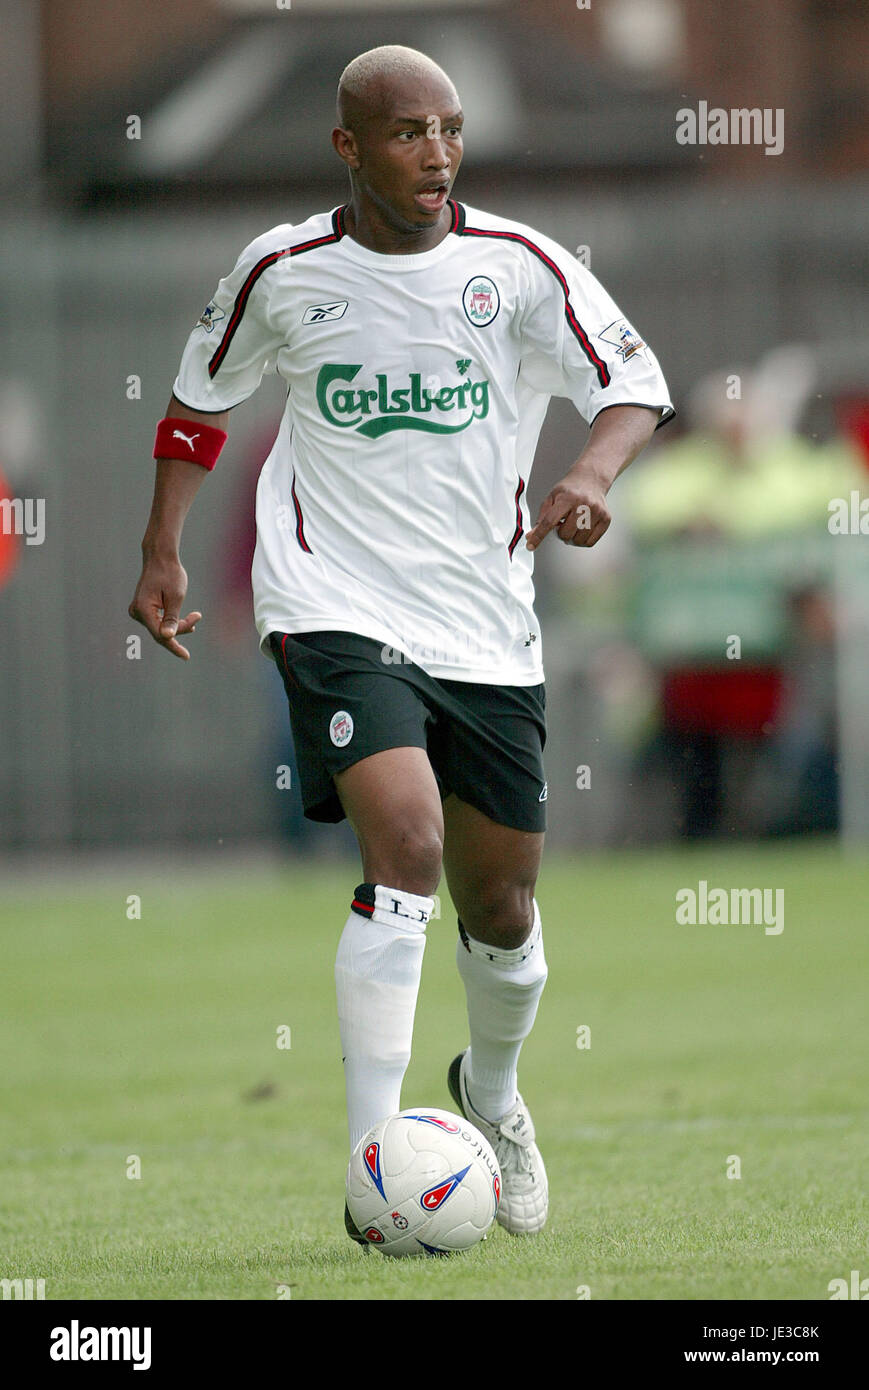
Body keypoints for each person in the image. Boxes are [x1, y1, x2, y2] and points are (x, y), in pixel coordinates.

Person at [129, 45, 673, 1245]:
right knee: (408, 845)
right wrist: (164, 551)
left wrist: (587, 472)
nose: (435, 153)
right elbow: (194, 407)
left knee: (506, 907)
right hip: (332, 605)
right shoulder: (280, 268)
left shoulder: (520, 268)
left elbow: (632, 382)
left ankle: (488, 1089)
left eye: (449, 129)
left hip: (485, 620)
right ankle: (373, 1162)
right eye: (406, 132)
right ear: (348, 147)